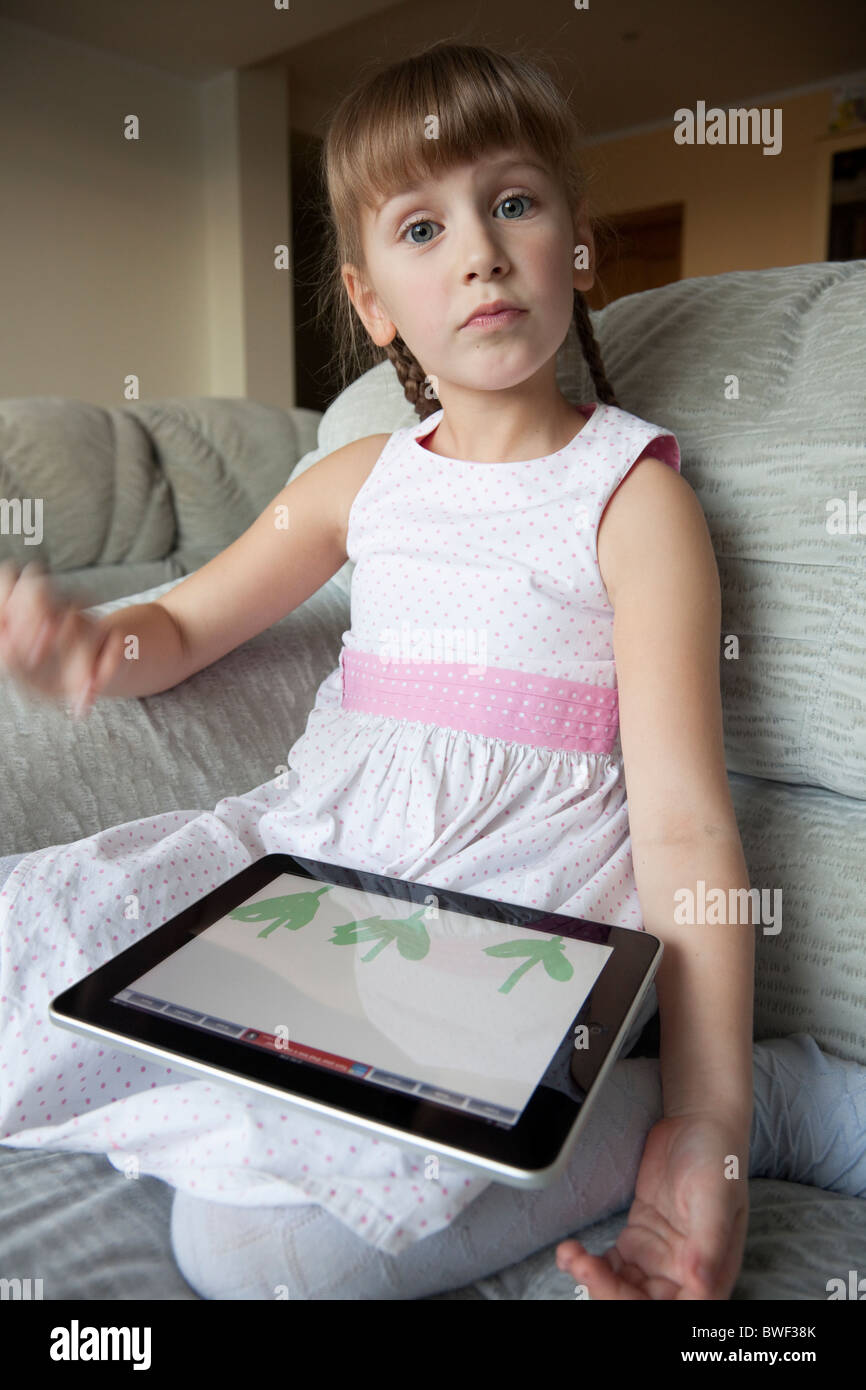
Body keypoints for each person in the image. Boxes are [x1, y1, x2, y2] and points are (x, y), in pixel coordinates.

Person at [1, 40, 865, 1303]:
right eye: (423, 224)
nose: (478, 249)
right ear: (369, 301)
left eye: (512, 202)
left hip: (510, 918)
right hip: (317, 872)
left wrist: (710, 1120)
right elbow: (180, 626)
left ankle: (770, 1102)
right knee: (44, 960)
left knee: (247, 1257)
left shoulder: (630, 501)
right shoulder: (356, 482)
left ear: (571, 244)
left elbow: (683, 824)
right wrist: (91, 643)